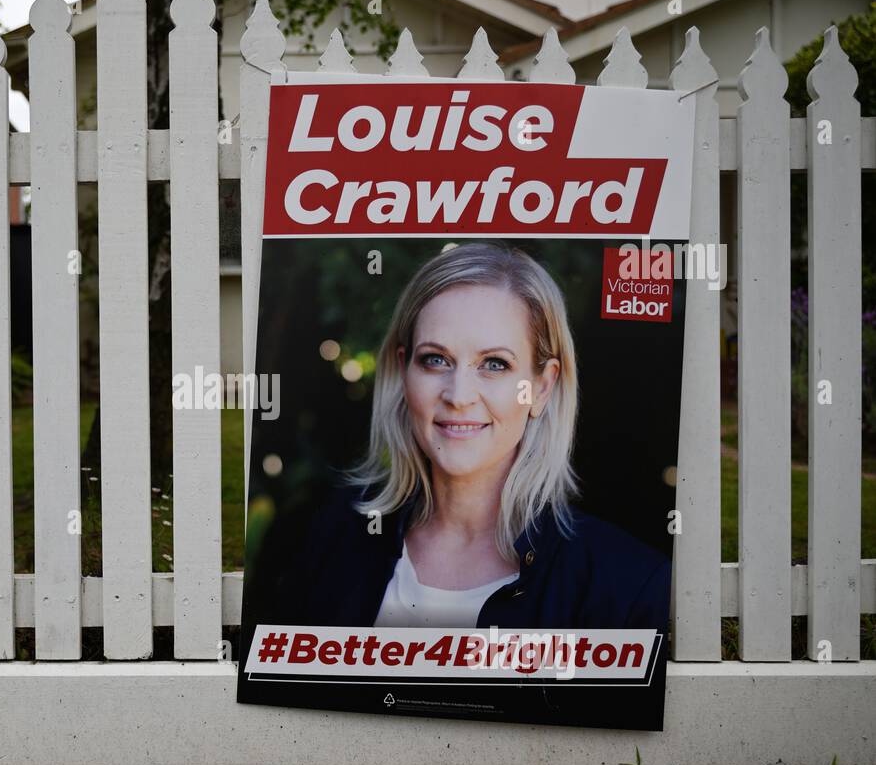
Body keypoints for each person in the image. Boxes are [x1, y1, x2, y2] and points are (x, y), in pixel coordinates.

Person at [268, 242, 670, 632]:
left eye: (494, 364)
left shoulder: (629, 586)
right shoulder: (329, 536)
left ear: (542, 387)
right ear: (404, 370)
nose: (458, 396)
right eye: (435, 359)